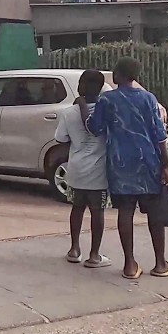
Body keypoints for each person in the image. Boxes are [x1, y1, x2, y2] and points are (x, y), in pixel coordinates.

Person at [83, 57, 168, 280]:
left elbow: (95, 128)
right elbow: (160, 135)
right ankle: (161, 264)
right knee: (154, 212)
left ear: (119, 75)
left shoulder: (107, 100)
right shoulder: (148, 98)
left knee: (125, 211)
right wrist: (166, 165)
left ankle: (130, 266)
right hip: (148, 162)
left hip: (119, 163)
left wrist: (83, 109)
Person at [55, 70, 110, 268]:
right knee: (98, 212)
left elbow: (60, 138)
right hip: (99, 172)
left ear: (80, 86)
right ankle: (94, 255)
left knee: (77, 209)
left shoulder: (69, 112)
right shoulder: (107, 112)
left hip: (76, 170)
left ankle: (74, 249)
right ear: (102, 88)